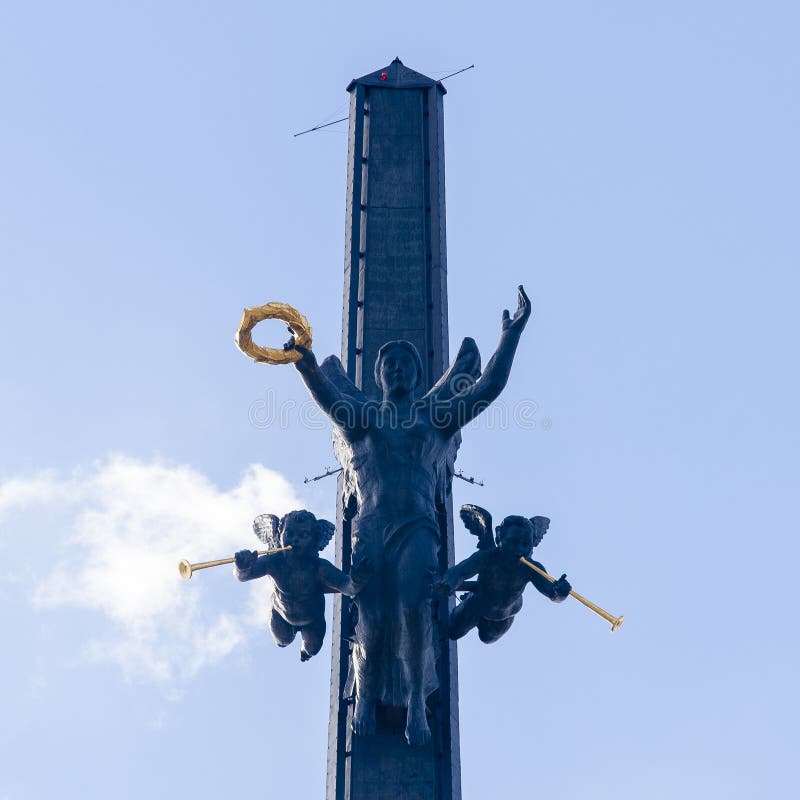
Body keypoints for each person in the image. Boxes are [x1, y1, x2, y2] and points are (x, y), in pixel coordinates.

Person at [286, 286, 532, 745]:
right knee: (373, 616)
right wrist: (303, 362)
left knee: (416, 609)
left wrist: (510, 337)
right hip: (372, 528)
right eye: (389, 365)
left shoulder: (435, 418)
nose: (397, 369)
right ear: (379, 376)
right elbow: (325, 395)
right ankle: (366, 695)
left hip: (418, 525)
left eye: (405, 365)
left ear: (417, 377)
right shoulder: (362, 418)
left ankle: (417, 701)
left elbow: (490, 388)